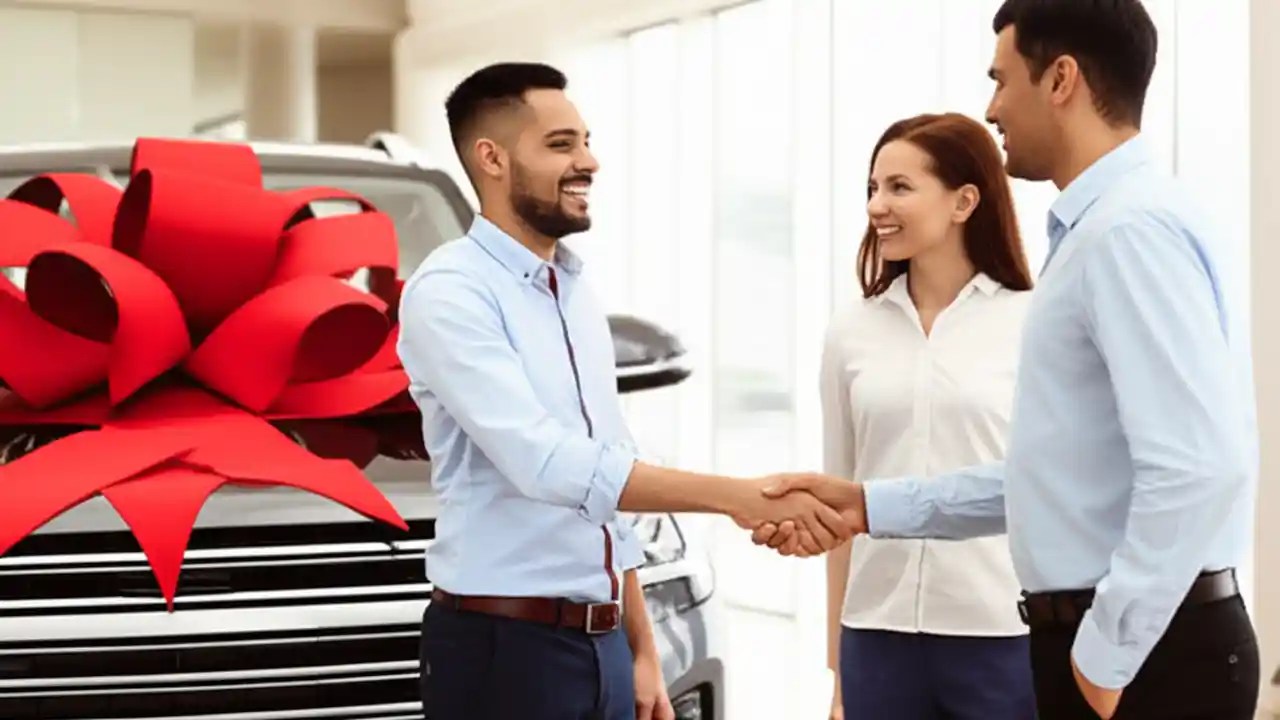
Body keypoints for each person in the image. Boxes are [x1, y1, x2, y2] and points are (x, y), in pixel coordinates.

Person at [759, 2, 1260, 719]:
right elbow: (1052, 478)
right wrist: (871, 505)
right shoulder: (1103, 230)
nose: (992, 108)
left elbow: (1199, 466)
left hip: (1139, 656)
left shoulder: (1125, 232)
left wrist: (1101, 660)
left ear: (1060, 79)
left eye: (1001, 79)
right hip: (1118, 645)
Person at [396, 62, 861, 720]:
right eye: (561, 144)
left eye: (585, 140)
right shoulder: (449, 293)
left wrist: (641, 648)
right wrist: (735, 498)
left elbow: (606, 477)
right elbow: (549, 464)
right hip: (507, 653)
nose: (589, 161)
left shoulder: (576, 291)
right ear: (491, 158)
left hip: (603, 643)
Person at [822, 112, 1036, 720]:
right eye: (872, 188)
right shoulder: (851, 332)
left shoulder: (1033, 322)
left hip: (999, 633)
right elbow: (841, 501)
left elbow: (1056, 492)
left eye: (899, 187)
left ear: (965, 200)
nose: (876, 206)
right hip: (875, 636)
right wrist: (838, 665)